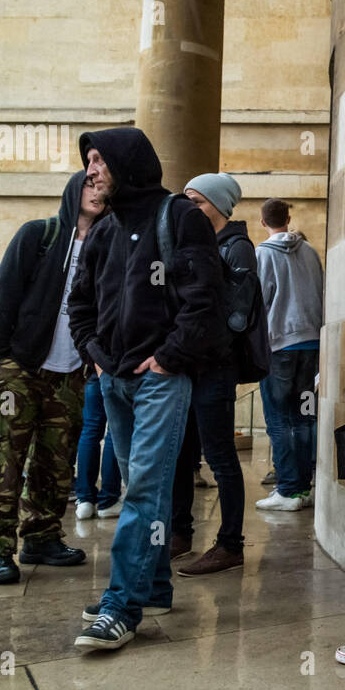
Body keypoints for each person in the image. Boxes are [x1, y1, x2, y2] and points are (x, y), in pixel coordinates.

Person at [68, 127, 225, 651]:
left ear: (126, 162)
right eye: (88, 161)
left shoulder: (179, 217)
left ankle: (120, 605)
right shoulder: (104, 231)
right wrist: (93, 353)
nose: (90, 170)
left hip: (160, 378)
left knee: (142, 489)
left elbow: (206, 300)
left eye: (98, 160)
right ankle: (154, 585)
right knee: (142, 482)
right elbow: (81, 303)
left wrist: (170, 358)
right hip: (112, 377)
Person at [0, 171, 104, 585]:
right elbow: (4, 294)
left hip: (70, 373)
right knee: (4, 461)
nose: (97, 190)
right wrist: (3, 354)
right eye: (89, 184)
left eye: (104, 187)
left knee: (56, 461)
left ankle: (42, 538)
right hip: (19, 368)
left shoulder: (107, 247)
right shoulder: (40, 234)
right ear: (73, 192)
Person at [168, 172, 256, 576]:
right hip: (189, 364)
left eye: (197, 201)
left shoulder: (237, 248)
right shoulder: (195, 242)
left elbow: (238, 315)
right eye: (186, 201)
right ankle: (179, 534)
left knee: (220, 456)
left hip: (216, 366)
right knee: (183, 454)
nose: (190, 209)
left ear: (219, 207)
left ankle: (230, 544)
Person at [253, 198, 323, 513]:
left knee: (278, 420)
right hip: (311, 343)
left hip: (279, 345)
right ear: (289, 218)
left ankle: (287, 490)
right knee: (303, 418)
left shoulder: (261, 254)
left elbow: (259, 302)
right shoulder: (310, 252)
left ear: (262, 220)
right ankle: (303, 489)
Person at [72, 373, 123, 520]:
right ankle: (109, 500)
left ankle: (84, 500)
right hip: (118, 371)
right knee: (114, 431)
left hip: (94, 370)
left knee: (90, 429)